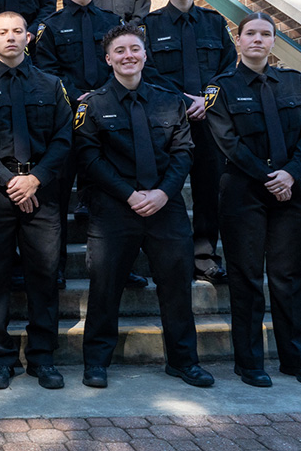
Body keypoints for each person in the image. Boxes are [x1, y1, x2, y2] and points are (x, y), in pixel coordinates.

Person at [75, 24, 213, 390]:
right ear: (108, 59)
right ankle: (96, 362)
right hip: (113, 209)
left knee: (176, 287)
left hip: (165, 207)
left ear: (145, 55)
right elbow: (89, 158)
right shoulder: (92, 105)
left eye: (134, 49)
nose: (128, 56)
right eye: (119, 51)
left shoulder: (169, 101)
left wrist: (164, 193)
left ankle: (183, 361)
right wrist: (129, 194)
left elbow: (183, 152)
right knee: (105, 288)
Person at [206, 12, 301, 388]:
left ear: (274, 41)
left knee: (289, 278)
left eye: (265, 34)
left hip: (291, 189)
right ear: (238, 40)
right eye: (250, 33)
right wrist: (269, 177)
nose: (257, 39)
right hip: (244, 191)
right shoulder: (221, 88)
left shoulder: (294, 82)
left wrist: (291, 173)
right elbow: (228, 141)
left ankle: (297, 360)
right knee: (246, 278)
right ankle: (250, 363)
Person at [0, 11, 73, 391]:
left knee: (44, 277)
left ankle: (42, 358)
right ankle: (0, 358)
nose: (11, 37)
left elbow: (63, 138)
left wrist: (34, 179)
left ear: (28, 37)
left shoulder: (52, 85)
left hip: (42, 191)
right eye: (2, 32)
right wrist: (11, 182)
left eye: (17, 31)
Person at [33, 0, 146, 290]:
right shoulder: (50, 25)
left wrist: (100, 98)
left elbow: (121, 63)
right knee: (56, 199)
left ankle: (121, 267)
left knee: (115, 194)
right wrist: (76, 96)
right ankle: (55, 268)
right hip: (66, 119)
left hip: (109, 117)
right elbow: (46, 70)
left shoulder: (113, 23)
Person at [141, 0, 236, 285]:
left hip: (209, 120)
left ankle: (204, 257)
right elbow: (147, 71)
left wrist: (207, 100)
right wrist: (185, 101)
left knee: (209, 190)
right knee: (164, 189)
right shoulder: (150, 25)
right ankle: (168, 255)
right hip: (167, 121)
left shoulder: (215, 23)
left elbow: (228, 67)